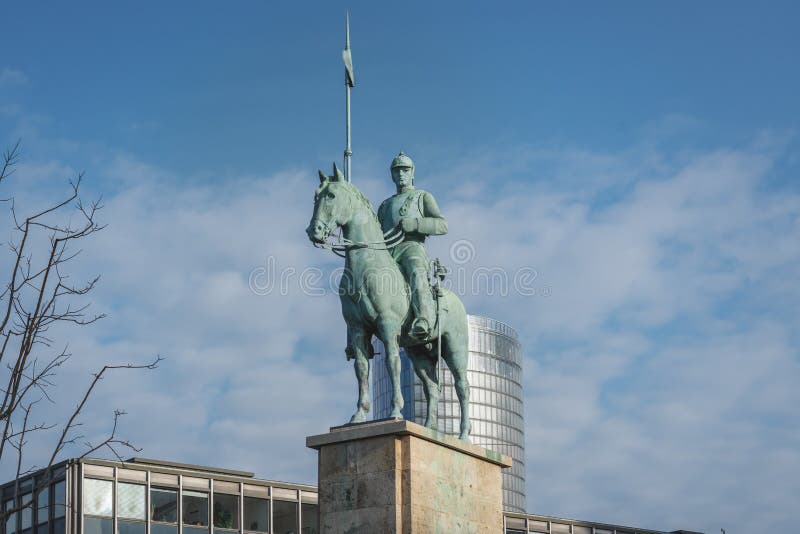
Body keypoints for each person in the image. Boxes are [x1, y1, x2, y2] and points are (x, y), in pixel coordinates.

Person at [377, 152, 448, 340]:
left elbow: (442, 225)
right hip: (387, 251)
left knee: (416, 271)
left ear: (412, 172)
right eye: (397, 170)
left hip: (411, 247)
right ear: (392, 175)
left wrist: (416, 224)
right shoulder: (384, 205)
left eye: (405, 170)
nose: (401, 174)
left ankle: (423, 317)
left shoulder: (422, 196)